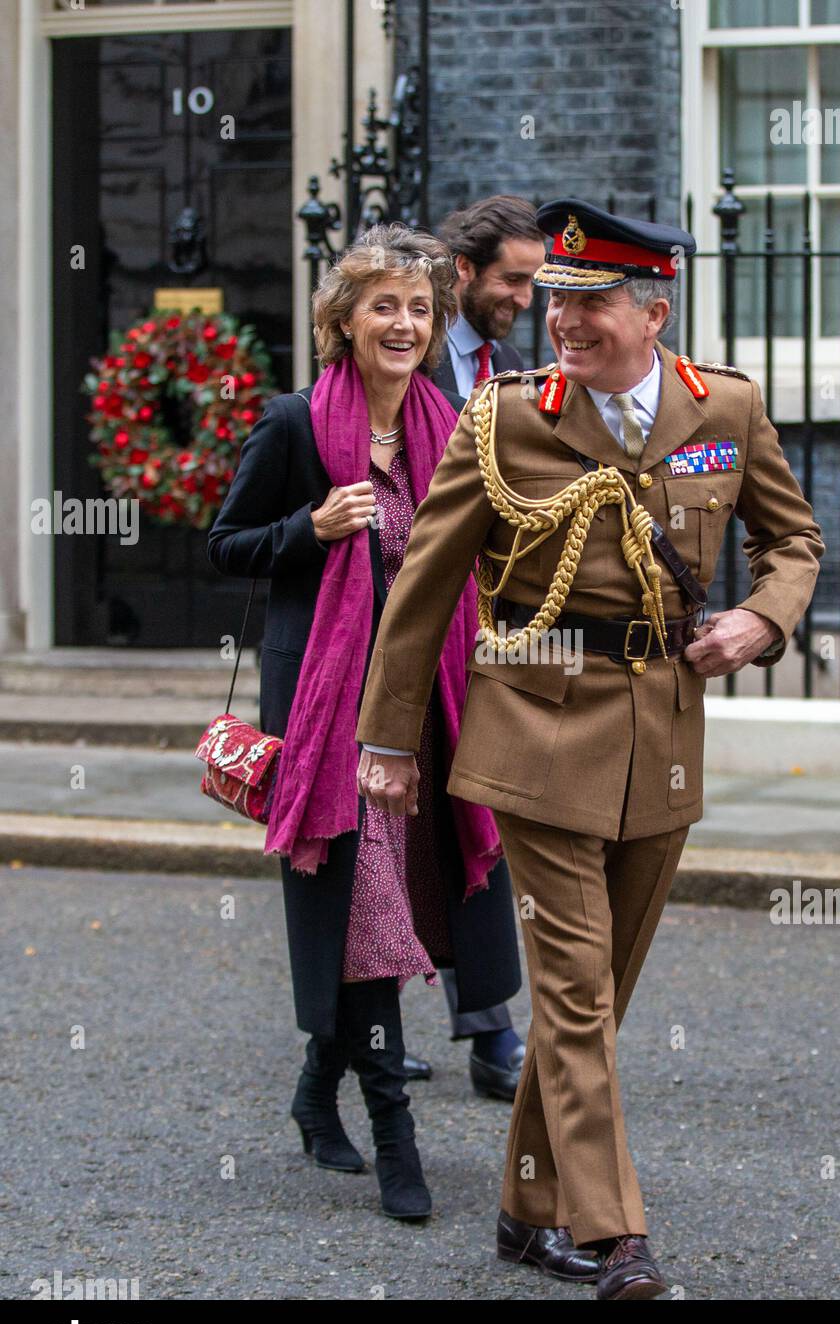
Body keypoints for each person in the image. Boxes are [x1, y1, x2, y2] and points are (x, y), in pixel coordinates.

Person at [352, 198, 825, 1297]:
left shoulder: (728, 409)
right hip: (534, 729)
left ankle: (524, 1210)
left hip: (660, 734)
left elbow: (790, 537)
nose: (562, 324)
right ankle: (615, 1234)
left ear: (652, 310)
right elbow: (424, 580)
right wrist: (387, 736)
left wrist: (764, 616)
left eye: (591, 304)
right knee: (571, 995)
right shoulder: (502, 417)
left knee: (596, 999)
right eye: (553, 302)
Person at [206, 223, 521, 1223]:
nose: (402, 321)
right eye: (381, 303)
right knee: (368, 915)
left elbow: (487, 548)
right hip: (328, 714)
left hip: (429, 712)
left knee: (393, 907)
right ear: (342, 319)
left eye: (417, 307)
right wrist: (310, 528)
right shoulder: (296, 424)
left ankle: (314, 1093)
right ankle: (396, 1135)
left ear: (434, 328)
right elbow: (225, 545)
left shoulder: (455, 426)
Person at [397, 196, 544, 1102]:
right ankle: (370, 1029)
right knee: (388, 834)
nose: (528, 299)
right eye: (514, 281)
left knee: (477, 821)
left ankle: (490, 1029)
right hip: (407, 628)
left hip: (486, 634)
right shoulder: (406, 355)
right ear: (464, 272)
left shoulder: (514, 369)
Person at [432, 195, 545, 405]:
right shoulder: (416, 354)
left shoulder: (512, 363)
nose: (526, 300)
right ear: (465, 267)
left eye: (532, 283)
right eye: (513, 279)